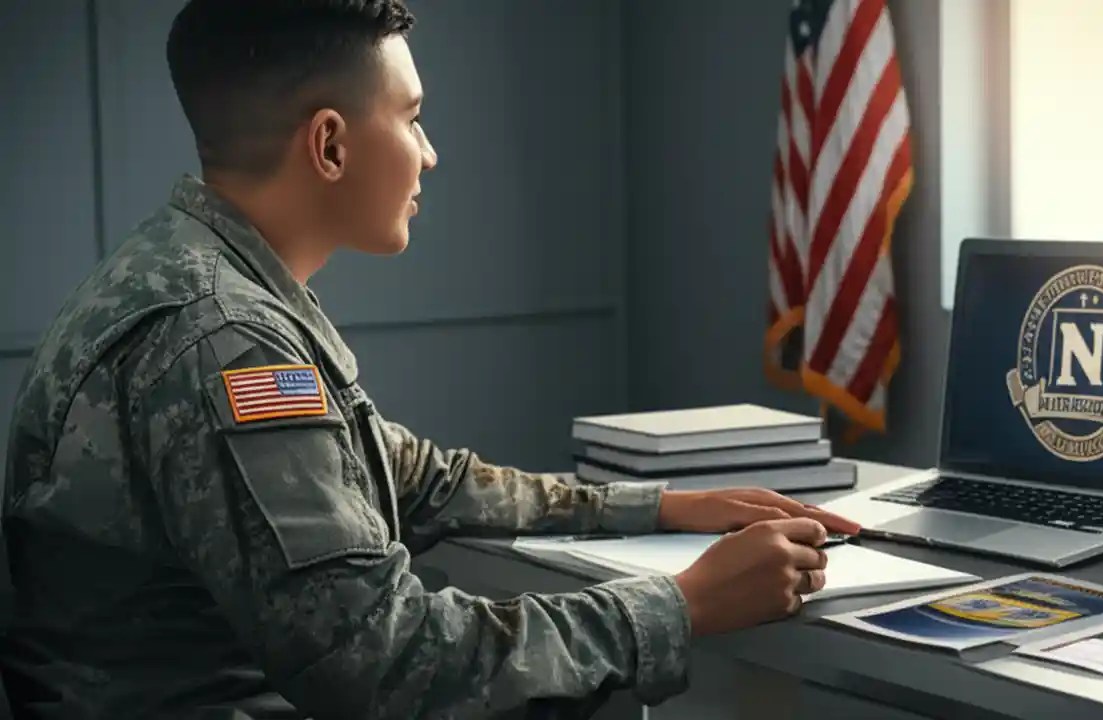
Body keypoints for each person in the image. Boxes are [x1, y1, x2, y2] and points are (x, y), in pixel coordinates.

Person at [0, 1, 862, 718]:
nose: (432, 151)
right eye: (412, 118)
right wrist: (683, 604)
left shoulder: (191, 271)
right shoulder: (224, 334)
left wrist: (658, 506)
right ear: (331, 145)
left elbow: (400, 473)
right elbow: (383, 660)